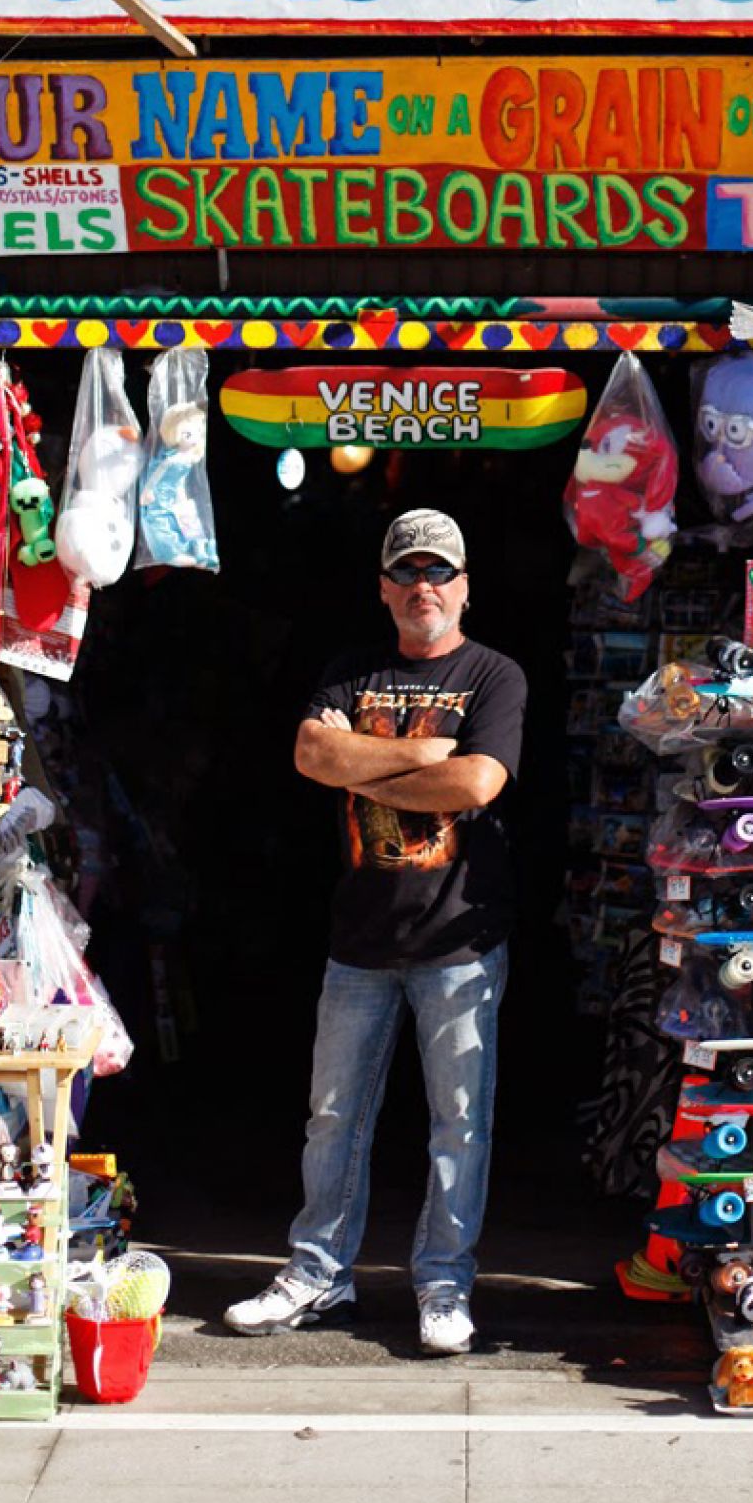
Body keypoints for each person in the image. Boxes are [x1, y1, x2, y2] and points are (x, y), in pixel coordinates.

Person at [225, 507, 526, 1355]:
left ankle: (442, 1284)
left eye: (438, 573)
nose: (422, 588)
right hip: (357, 940)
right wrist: (425, 760)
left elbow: (476, 784)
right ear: (383, 588)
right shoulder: (350, 669)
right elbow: (312, 757)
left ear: (464, 587)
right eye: (407, 573)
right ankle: (316, 1273)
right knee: (332, 1118)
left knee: (458, 1122)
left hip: (459, 943)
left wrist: (378, 767)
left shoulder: (495, 676)